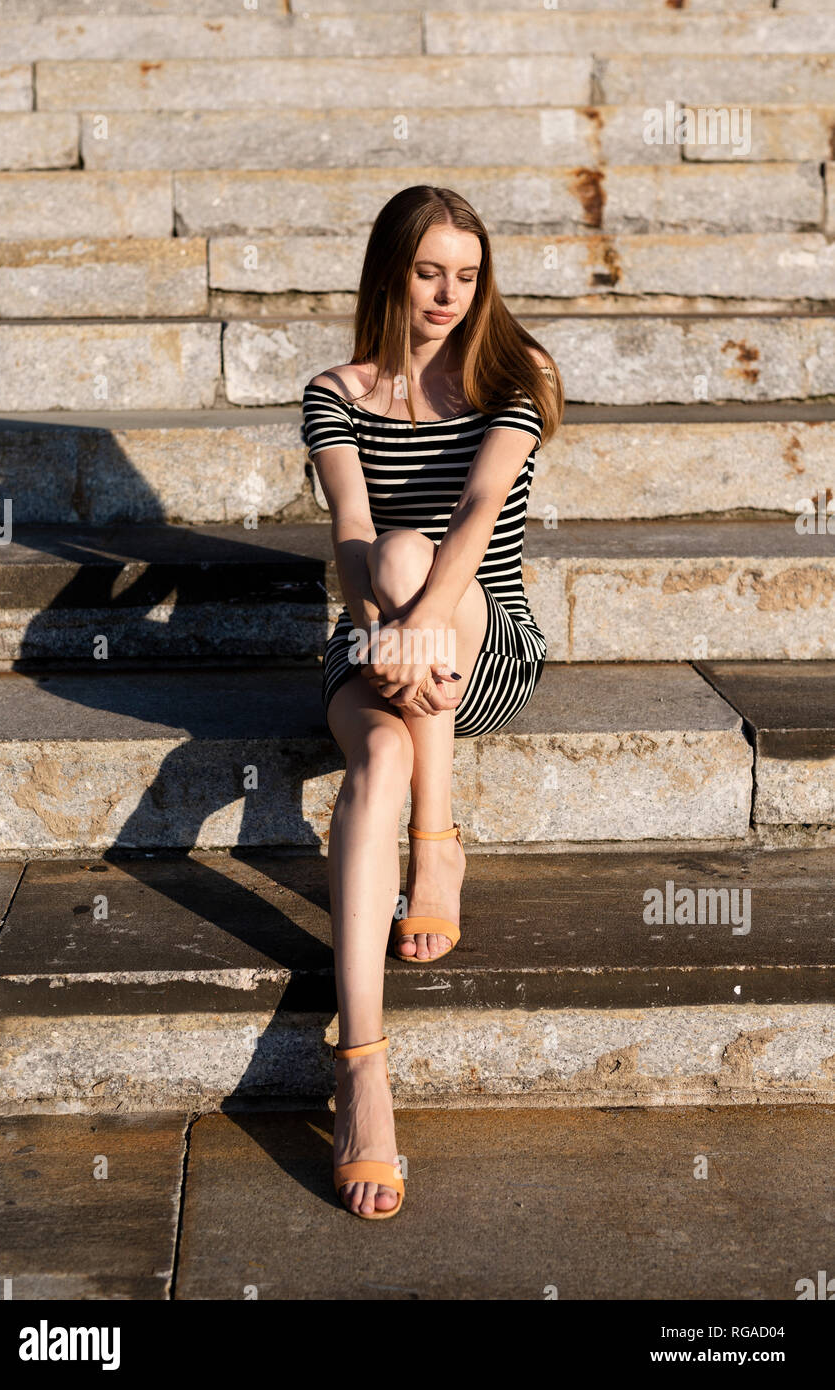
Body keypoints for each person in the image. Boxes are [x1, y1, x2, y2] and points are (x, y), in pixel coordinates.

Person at [300, 184, 564, 1219]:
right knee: (377, 757)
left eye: (466, 273)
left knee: (422, 549)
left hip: (481, 641)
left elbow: (478, 508)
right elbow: (350, 531)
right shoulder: (334, 391)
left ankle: (439, 835)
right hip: (374, 640)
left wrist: (415, 625)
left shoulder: (515, 371)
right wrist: (381, 633)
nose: (449, 293)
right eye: (427, 272)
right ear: (388, 272)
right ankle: (361, 1062)